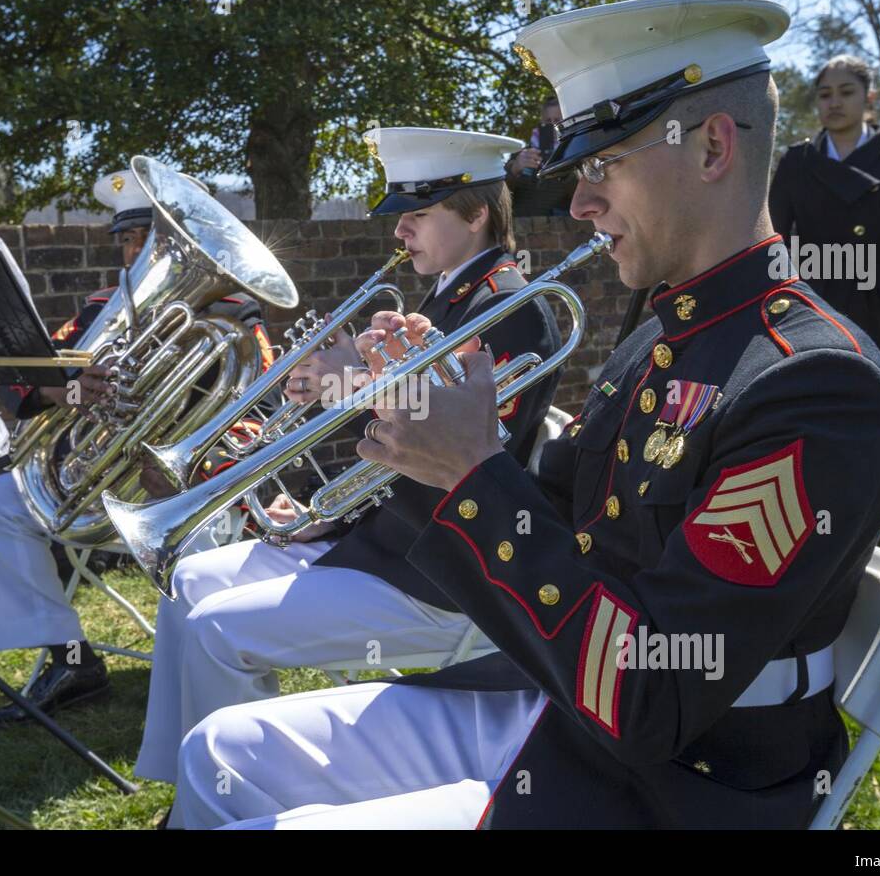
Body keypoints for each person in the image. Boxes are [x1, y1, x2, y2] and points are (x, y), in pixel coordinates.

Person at [170, 0, 880, 829]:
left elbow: (649, 695)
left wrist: (472, 473)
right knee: (223, 753)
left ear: (710, 147)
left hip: (663, 787)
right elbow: (561, 505)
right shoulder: (662, 332)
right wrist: (419, 419)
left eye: (606, 165)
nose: (581, 203)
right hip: (556, 708)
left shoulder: (815, 384)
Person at [130, 127, 563, 787]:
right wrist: (323, 511)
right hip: (382, 541)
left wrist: (353, 381)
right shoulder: (450, 296)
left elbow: (466, 462)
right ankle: (180, 785)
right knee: (187, 582)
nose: (401, 233)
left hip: (437, 576)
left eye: (418, 215)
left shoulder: (509, 309)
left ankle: (238, 789)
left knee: (217, 629)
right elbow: (401, 447)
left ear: (477, 213)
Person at [0, 167, 273, 726]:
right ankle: (69, 658)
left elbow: (261, 419)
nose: (136, 252)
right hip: (98, 486)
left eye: (149, 238)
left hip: (189, 496)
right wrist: (70, 388)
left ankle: (215, 682)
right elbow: (23, 376)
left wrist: (178, 450)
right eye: (128, 239)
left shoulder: (233, 317)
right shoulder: (97, 310)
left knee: (197, 542)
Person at [769, 54, 880, 413]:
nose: (834, 102)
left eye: (846, 92)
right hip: (810, 305)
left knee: (873, 421)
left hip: (873, 303)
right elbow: (773, 237)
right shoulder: (797, 162)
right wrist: (787, 298)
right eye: (824, 94)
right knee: (810, 418)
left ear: (869, 98)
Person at [505, 96, 576, 216]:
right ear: (542, 122)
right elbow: (499, 194)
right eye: (549, 121)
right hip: (523, 229)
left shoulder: (575, 150)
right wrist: (514, 169)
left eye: (558, 121)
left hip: (563, 229)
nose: (554, 126)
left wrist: (563, 162)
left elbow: (581, 194)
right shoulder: (522, 154)